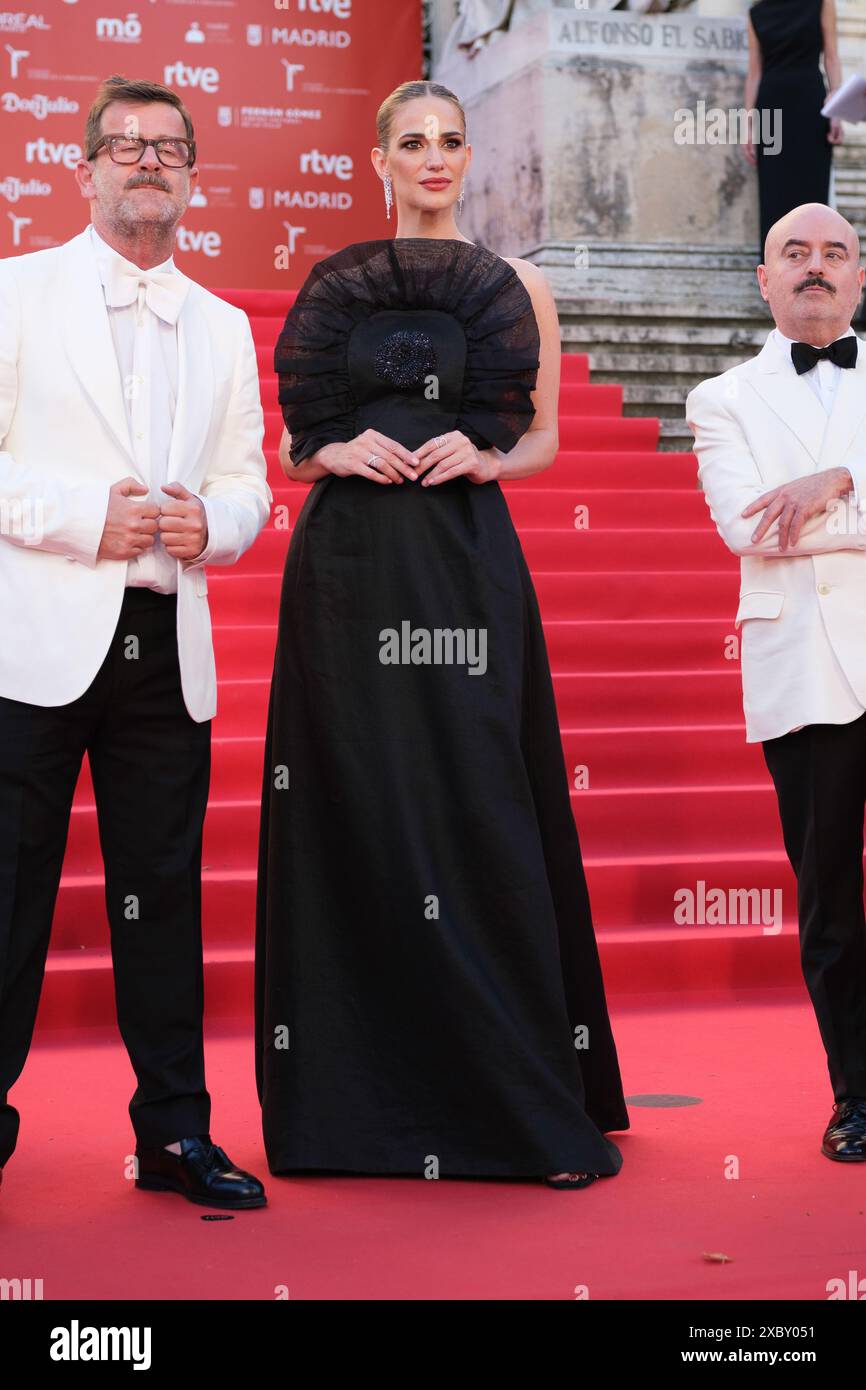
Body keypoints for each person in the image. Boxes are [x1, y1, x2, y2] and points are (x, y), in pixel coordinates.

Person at [255, 80, 628, 1189]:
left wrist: (483, 455)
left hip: (464, 567)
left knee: (479, 800)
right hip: (347, 571)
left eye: (450, 142)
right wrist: (331, 454)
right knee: (354, 801)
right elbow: (290, 447)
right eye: (411, 141)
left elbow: (544, 439)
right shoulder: (337, 288)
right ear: (377, 157)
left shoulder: (518, 287)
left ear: (468, 159)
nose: (432, 157)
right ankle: (351, 1102)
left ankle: (507, 1091)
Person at [0, 75, 272, 1208]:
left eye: (168, 147)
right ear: (87, 168)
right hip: (32, 645)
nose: (147, 161)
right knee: (8, 893)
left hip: (166, 644)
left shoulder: (222, 323)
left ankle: (173, 1132)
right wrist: (80, 517)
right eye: (125, 145)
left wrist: (216, 522)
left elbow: (249, 482)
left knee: (160, 895)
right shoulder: (13, 293)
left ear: (192, 173)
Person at [686, 202, 866, 1163]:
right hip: (803, 669)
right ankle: (857, 1095)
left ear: (860, 276)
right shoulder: (723, 398)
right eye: (793, 253)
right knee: (830, 897)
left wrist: (836, 480)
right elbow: (746, 529)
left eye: (834, 253)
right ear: (763, 279)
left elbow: (799, 516)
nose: (814, 267)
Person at [745, 1, 843, 255]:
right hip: (771, 110)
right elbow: (754, 72)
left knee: (812, 198)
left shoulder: (822, 2)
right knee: (773, 199)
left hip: (810, 108)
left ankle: (815, 273)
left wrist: (837, 110)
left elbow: (832, 56)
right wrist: (747, 125)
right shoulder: (756, 13)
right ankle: (775, 283)